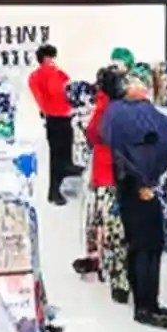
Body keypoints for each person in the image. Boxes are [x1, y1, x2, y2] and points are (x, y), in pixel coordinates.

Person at [102, 73, 167, 329]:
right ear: (126, 89)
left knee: (149, 246)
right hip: (138, 187)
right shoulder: (127, 114)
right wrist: (143, 182)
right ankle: (145, 308)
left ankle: (150, 302)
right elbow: (134, 152)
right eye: (137, 82)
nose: (143, 85)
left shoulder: (118, 113)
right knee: (145, 247)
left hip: (137, 185)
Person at [73, 65, 131, 304]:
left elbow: (92, 134)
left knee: (106, 227)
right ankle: (116, 278)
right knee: (113, 230)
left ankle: (114, 277)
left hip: (104, 175)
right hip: (112, 176)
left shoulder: (104, 107)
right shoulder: (121, 108)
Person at [28, 44, 76, 206]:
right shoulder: (56, 74)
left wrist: (45, 111)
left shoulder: (35, 77)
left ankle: (55, 190)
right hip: (61, 118)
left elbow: (40, 98)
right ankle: (57, 190)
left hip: (54, 119)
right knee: (62, 157)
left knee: (57, 156)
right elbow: (68, 93)